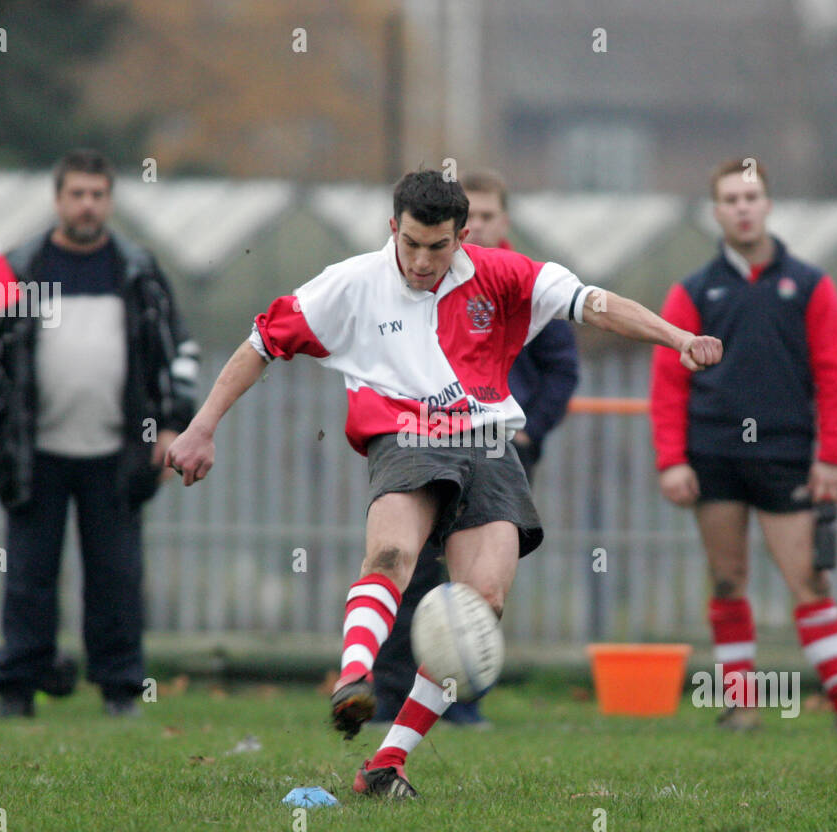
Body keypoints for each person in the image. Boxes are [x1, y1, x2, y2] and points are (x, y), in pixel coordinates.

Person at [167, 170, 721, 798]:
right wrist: (200, 428)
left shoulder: (503, 274)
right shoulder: (350, 284)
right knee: (393, 554)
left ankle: (387, 763)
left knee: (479, 607)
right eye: (411, 244)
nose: (423, 260)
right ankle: (354, 679)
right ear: (392, 229)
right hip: (404, 435)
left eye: (439, 246)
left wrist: (678, 337)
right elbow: (259, 344)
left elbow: (595, 303)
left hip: (489, 442)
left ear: (463, 236)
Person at [648, 158, 837, 733]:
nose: (742, 207)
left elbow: (836, 377)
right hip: (713, 455)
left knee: (809, 580)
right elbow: (667, 383)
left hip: (787, 456)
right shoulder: (692, 291)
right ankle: (742, 707)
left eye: (751, 196)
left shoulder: (809, 286)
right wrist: (671, 460)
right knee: (728, 581)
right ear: (716, 211)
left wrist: (832, 456)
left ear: (767, 205)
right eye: (731, 198)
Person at [0, 148, 200, 718]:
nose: (87, 205)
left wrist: (170, 425)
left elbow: (181, 354)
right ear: (58, 199)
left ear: (110, 201)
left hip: (119, 455)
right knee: (27, 577)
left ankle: (121, 691)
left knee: (117, 578)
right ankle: (17, 688)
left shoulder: (138, 270)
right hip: (33, 455)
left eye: (98, 194)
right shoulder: (17, 268)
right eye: (77, 194)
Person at [370, 170, 581, 728]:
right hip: (423, 447)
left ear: (499, 222)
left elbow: (562, 368)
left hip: (500, 450)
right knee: (406, 571)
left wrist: (530, 429)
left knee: (478, 589)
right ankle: (389, 699)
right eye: (475, 216)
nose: (480, 226)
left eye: (489, 216)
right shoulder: (412, 278)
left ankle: (462, 702)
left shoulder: (525, 283)